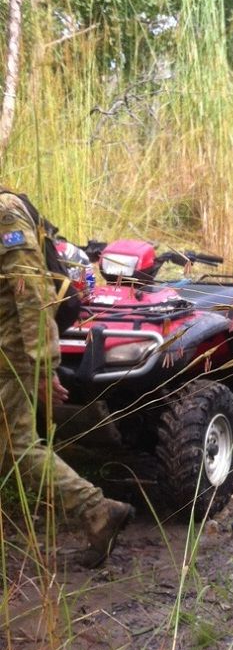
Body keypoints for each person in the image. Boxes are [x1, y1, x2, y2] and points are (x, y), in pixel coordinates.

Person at [0, 187, 134, 567]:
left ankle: (97, 510)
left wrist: (43, 366)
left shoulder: (5, 211)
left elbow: (32, 294)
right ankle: (97, 511)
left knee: (17, 448)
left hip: (10, 356)